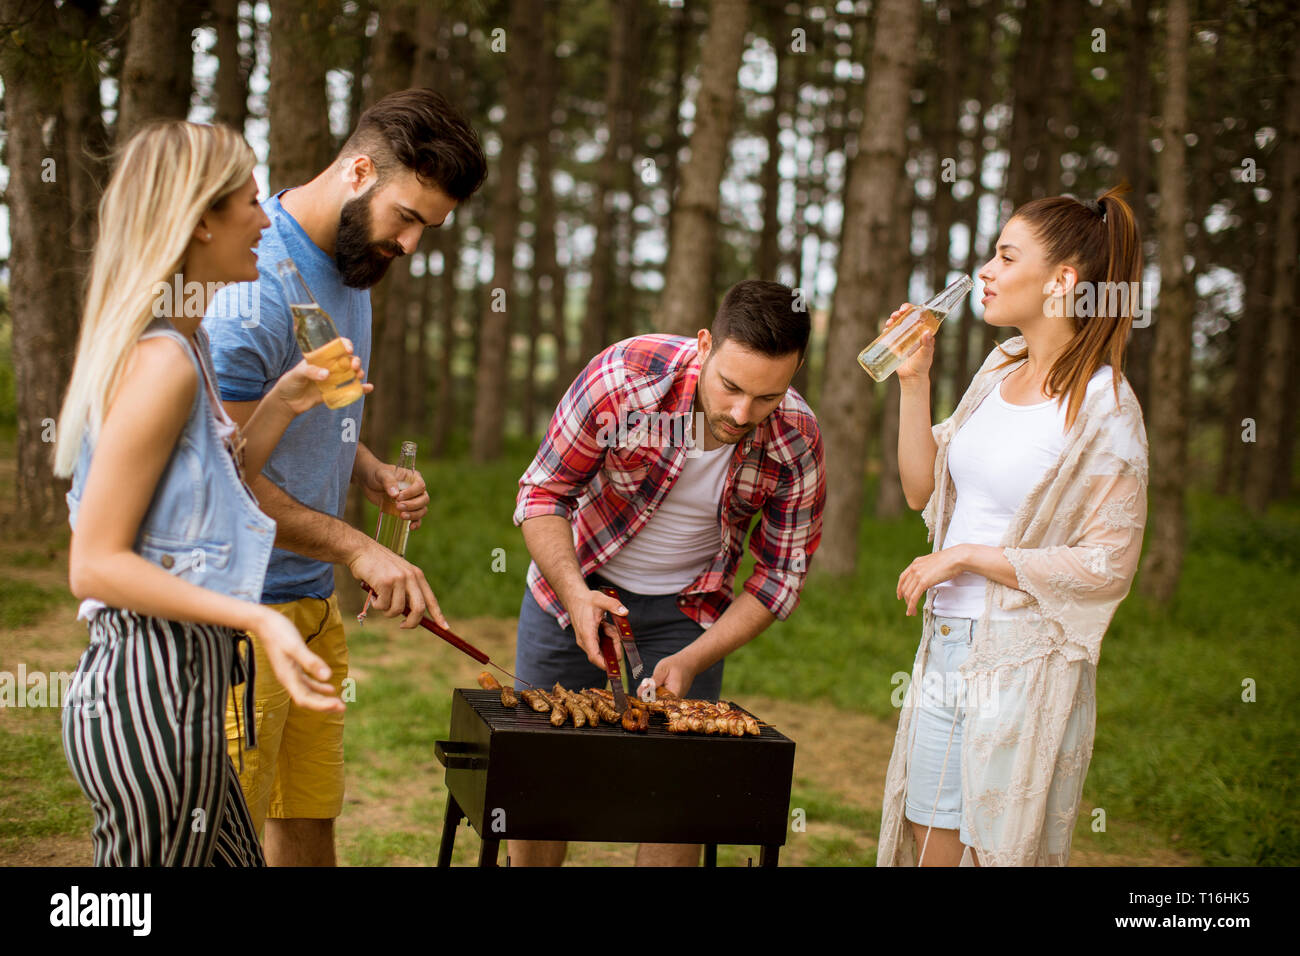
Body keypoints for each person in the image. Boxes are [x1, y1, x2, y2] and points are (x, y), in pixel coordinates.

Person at [55, 121, 357, 866]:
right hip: (148, 692)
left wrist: (284, 401)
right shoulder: (165, 364)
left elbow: (223, 486)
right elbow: (93, 565)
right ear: (199, 222)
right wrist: (259, 617)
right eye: (251, 202)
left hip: (191, 685)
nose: (266, 219)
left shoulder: (186, 344)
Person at [202, 87, 487, 866]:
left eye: (429, 227)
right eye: (409, 217)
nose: (412, 243)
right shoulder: (251, 290)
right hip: (237, 618)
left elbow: (314, 410)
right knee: (222, 841)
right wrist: (358, 549)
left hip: (311, 606)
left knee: (308, 823)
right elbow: (221, 476)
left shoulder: (349, 269)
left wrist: (370, 473)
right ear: (360, 169)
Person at [876, 186, 1150, 867]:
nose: (987, 273)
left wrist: (970, 555)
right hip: (943, 645)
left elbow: (1106, 565)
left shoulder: (1105, 407)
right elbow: (922, 489)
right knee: (928, 844)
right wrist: (915, 381)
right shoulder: (997, 370)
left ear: (1062, 281)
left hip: (1024, 661)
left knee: (995, 853)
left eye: (1005, 256)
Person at [510, 279, 827, 867]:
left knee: (680, 795)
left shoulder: (796, 440)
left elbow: (780, 577)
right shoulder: (625, 379)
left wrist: (693, 658)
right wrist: (577, 594)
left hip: (692, 613)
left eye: (765, 398)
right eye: (731, 387)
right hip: (573, 590)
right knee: (539, 779)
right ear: (705, 344)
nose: (741, 414)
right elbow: (543, 492)